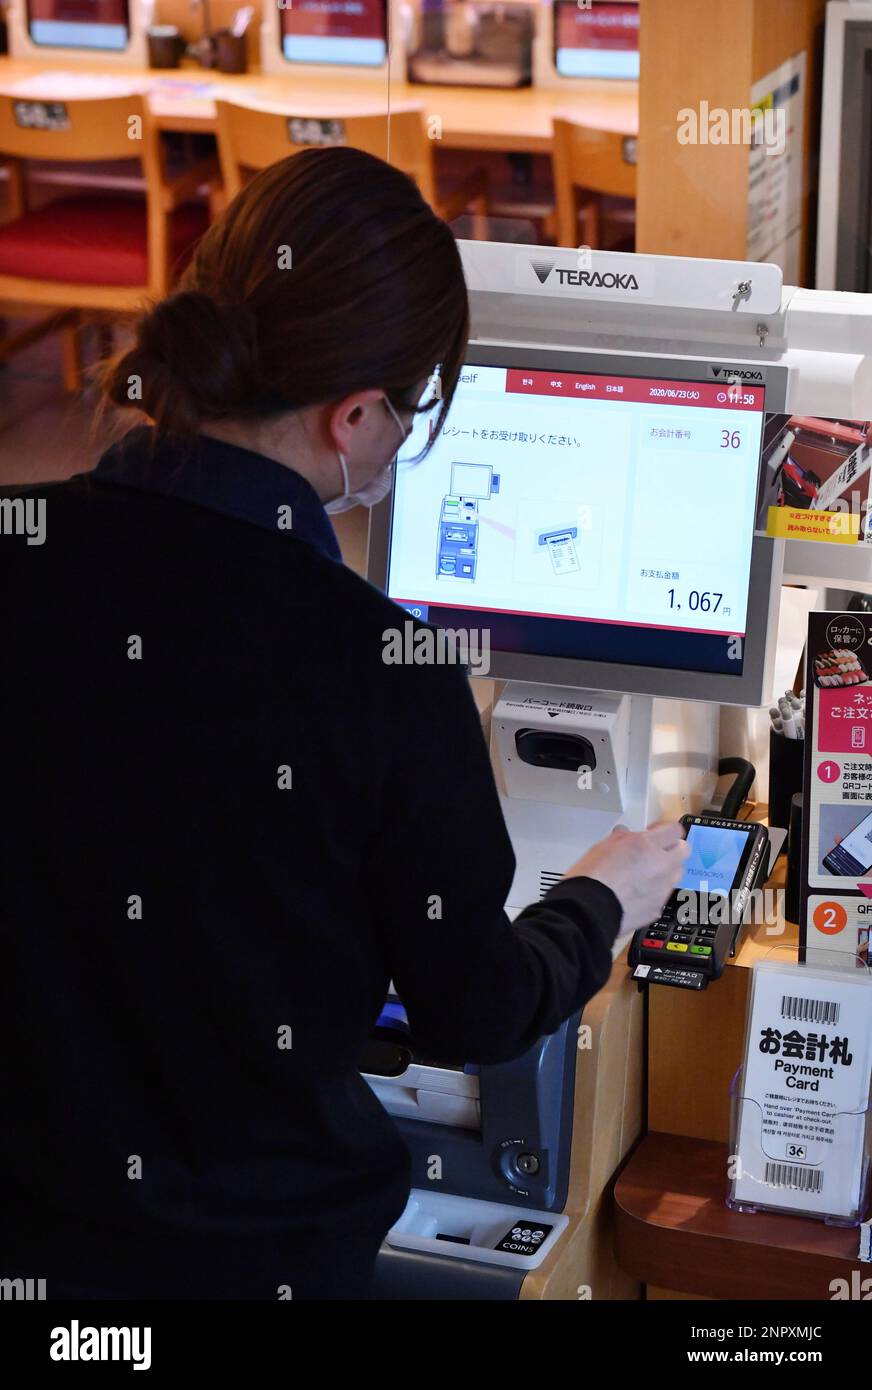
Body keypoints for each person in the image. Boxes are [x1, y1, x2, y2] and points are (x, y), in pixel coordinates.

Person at [0, 146, 688, 1300]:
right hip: (246, 1260)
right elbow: (473, 1005)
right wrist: (597, 900)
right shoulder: (380, 667)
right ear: (354, 414)